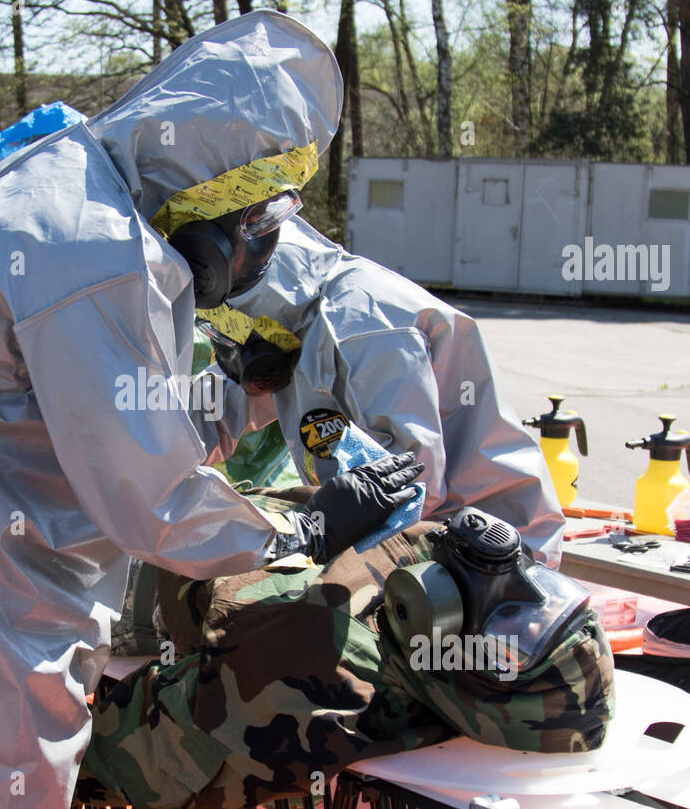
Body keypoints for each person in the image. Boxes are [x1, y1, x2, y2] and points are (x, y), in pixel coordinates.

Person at [0, 11, 424, 809]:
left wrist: (242, 393)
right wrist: (306, 527)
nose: (258, 254)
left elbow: (101, 415)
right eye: (255, 228)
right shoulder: (96, 254)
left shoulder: (69, 194)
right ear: (211, 194)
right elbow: (158, 503)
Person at [193, 215, 565, 568]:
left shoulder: (365, 330)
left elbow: (410, 494)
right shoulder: (279, 328)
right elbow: (207, 412)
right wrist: (152, 461)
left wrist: (307, 532)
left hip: (487, 553)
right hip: (412, 544)